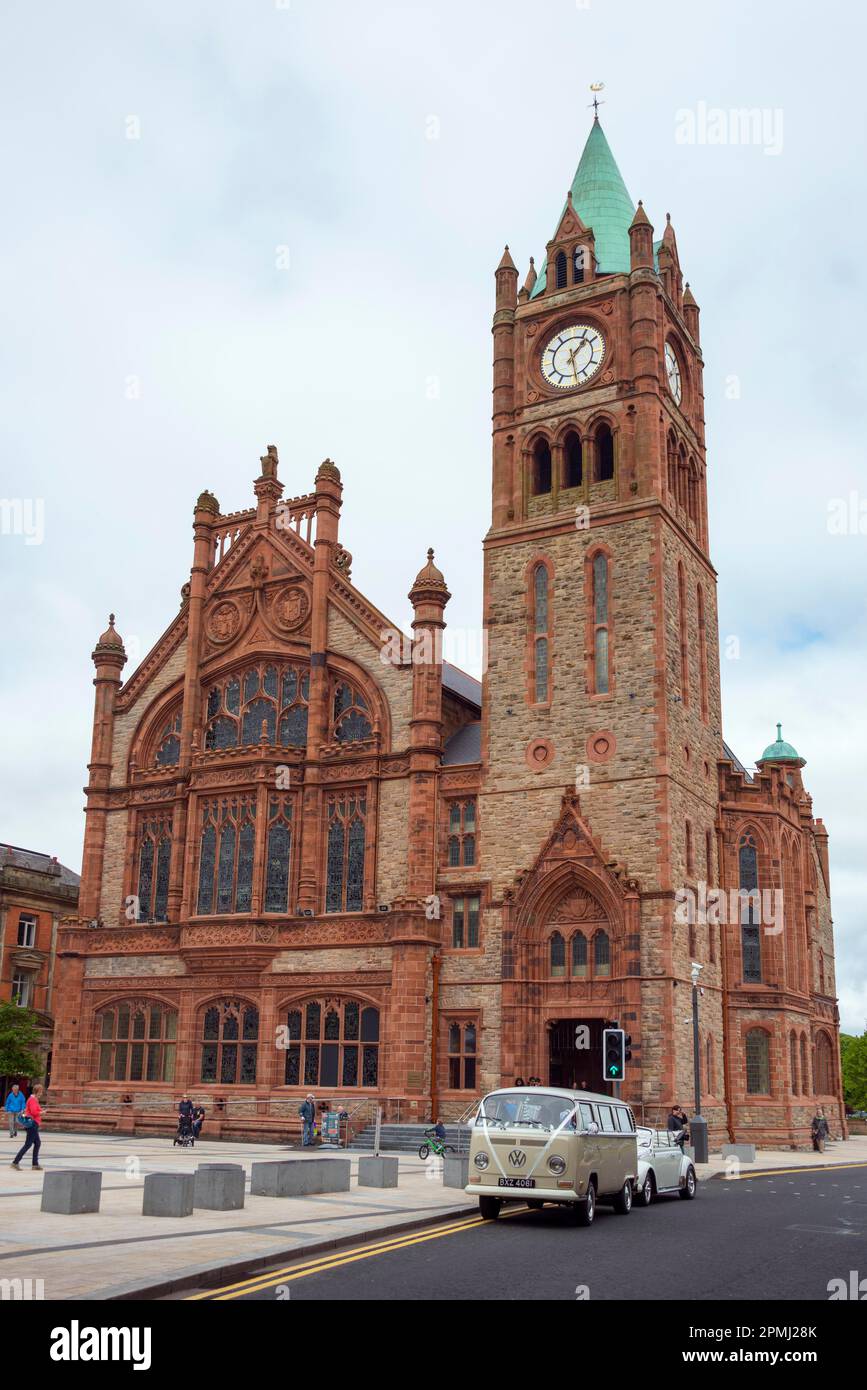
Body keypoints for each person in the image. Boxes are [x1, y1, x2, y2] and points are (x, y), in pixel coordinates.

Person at [11, 1085, 43, 1171]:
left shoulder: (34, 1099)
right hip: (32, 1124)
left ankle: (35, 1164)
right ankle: (15, 1162)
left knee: (37, 1143)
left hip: (33, 1124)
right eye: (41, 1091)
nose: (42, 1093)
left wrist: (40, 1111)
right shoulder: (32, 1100)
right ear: (38, 1091)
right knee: (28, 1144)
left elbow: (34, 1110)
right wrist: (42, 1112)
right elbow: (33, 1112)